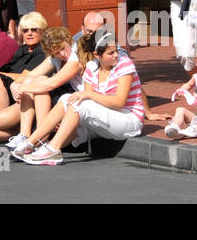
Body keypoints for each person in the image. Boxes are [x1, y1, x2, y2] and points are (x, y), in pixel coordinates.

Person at [18, 28, 145, 165]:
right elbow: (87, 98)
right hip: (107, 117)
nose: (116, 55)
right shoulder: (91, 67)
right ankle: (31, 143)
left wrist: (89, 95)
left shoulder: (124, 63)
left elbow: (119, 102)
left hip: (129, 119)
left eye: (115, 50)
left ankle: (52, 149)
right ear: (97, 55)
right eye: (111, 52)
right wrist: (84, 98)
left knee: (82, 103)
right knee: (68, 98)